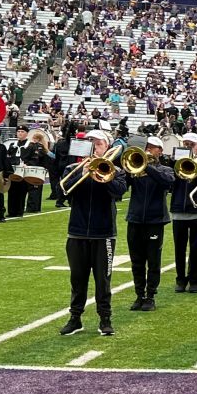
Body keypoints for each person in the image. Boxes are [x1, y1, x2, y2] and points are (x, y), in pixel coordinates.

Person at [59, 130, 127, 337]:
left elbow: (119, 191)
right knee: (77, 279)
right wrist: (82, 173)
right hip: (77, 232)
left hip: (103, 233)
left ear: (107, 147)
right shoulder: (72, 168)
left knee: (103, 280)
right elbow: (63, 191)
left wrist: (103, 176)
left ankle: (105, 319)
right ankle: (75, 318)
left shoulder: (115, 170)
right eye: (91, 143)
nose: (95, 147)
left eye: (98, 143)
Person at [125, 136, 175, 312]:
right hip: (135, 219)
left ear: (159, 151)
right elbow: (123, 186)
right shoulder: (135, 168)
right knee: (136, 261)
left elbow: (168, 182)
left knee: (153, 261)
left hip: (155, 220)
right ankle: (139, 294)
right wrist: (130, 168)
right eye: (146, 147)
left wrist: (148, 167)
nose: (147, 150)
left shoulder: (165, 169)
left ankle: (150, 295)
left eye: (152, 147)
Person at [171, 133, 197, 294]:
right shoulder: (175, 163)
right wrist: (174, 163)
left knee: (196, 249)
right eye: (185, 144)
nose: (188, 147)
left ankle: (195, 280)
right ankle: (180, 279)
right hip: (179, 210)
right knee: (179, 249)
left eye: (191, 144)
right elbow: (170, 183)